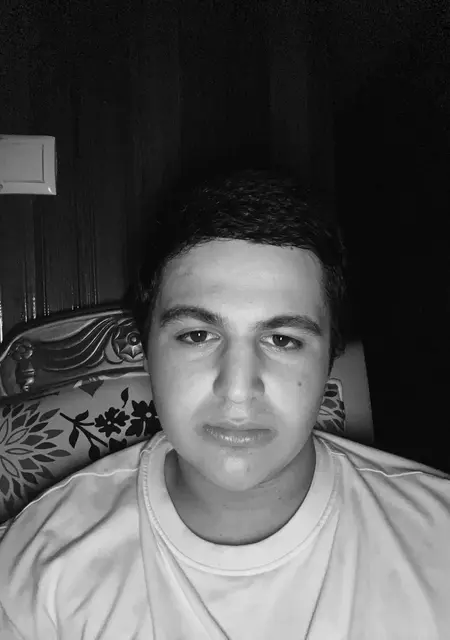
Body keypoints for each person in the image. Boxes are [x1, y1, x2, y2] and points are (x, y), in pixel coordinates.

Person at [0, 170, 449, 639]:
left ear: (330, 359)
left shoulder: (439, 542)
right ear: (146, 350)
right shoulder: (34, 570)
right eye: (198, 335)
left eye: (282, 339)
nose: (237, 390)